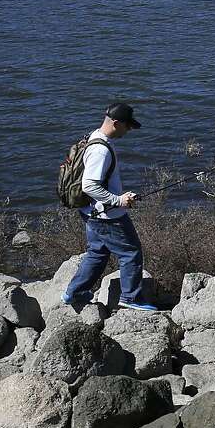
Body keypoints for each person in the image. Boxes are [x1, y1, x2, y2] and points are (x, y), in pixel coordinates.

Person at [62, 102, 159, 310]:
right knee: (131, 252)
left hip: (90, 212)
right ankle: (131, 298)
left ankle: (74, 292)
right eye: (127, 126)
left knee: (97, 253)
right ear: (116, 123)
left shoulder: (93, 137)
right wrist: (118, 200)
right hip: (106, 215)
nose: (129, 130)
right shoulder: (101, 150)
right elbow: (89, 185)